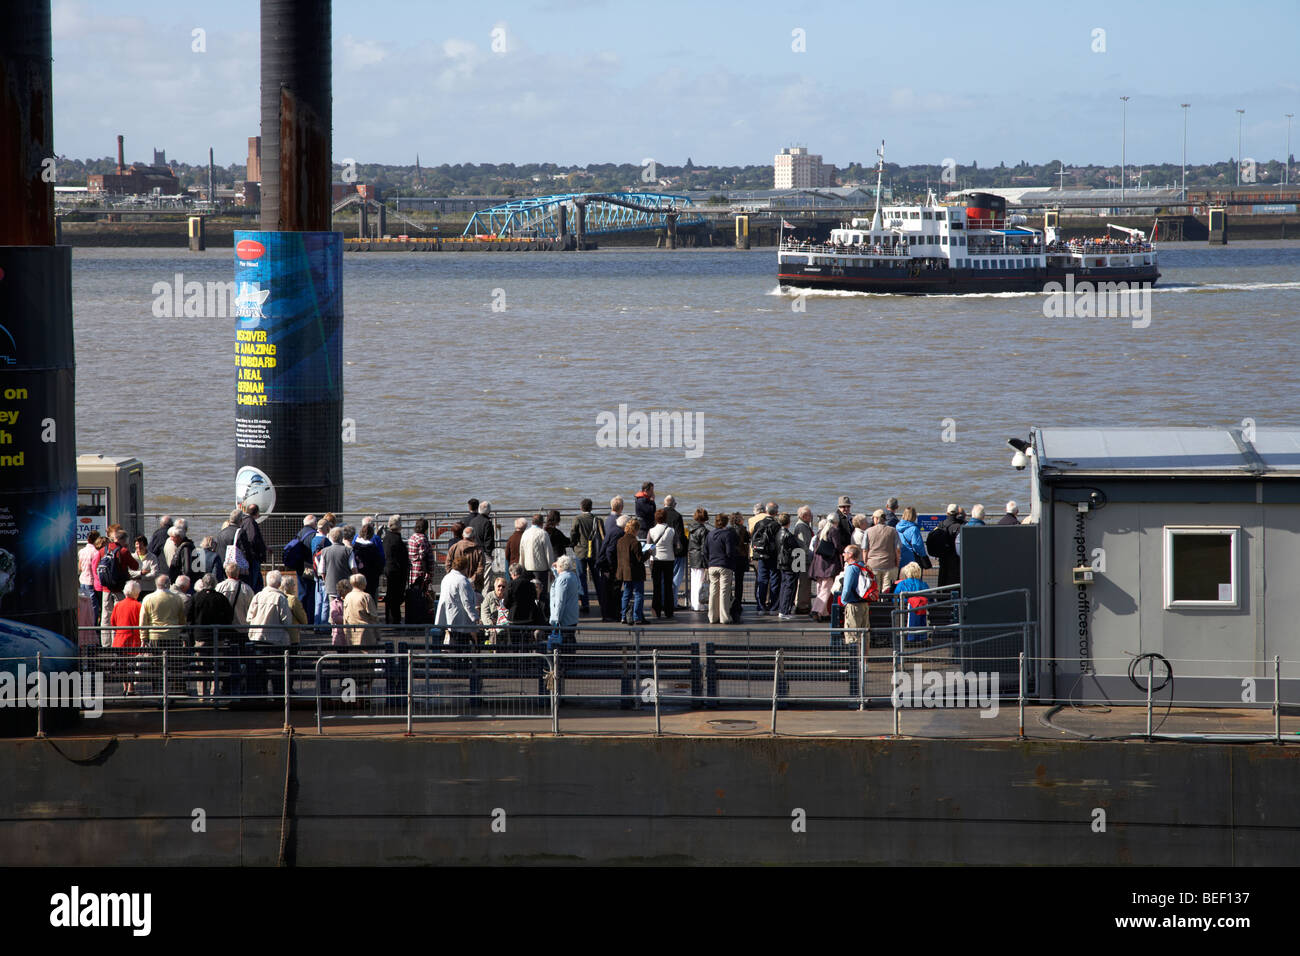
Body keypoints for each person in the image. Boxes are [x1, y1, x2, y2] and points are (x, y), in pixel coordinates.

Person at [191, 573, 232, 700]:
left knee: (201, 666)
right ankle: (215, 692)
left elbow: (189, 617)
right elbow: (229, 617)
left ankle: (202, 694)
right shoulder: (221, 598)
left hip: (201, 636)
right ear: (215, 584)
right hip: (217, 636)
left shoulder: (196, 597)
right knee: (216, 665)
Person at [99, 529, 140, 634]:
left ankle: (105, 645)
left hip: (106, 588)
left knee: (105, 616)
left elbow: (96, 567)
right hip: (119, 588)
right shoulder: (123, 551)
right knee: (118, 615)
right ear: (123, 540)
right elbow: (135, 566)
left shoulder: (103, 550)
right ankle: (115, 642)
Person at [569, 498, 604, 616]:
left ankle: (585, 604)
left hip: (581, 552)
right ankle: (602, 602)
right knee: (597, 578)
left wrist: (573, 545)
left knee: (581, 578)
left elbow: (573, 534)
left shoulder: (577, 519)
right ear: (591, 507)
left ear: (581, 507)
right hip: (594, 552)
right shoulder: (597, 519)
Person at [109, 579, 144, 696]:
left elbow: (112, 622)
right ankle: (131, 687)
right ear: (136, 592)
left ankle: (125, 687)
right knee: (132, 665)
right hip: (133, 640)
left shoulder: (118, 605)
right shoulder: (138, 605)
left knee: (123, 664)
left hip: (120, 640)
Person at [434, 556, 478, 647]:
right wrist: (475, 617)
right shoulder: (462, 581)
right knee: (462, 646)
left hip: (447, 618)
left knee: (451, 646)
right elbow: (467, 602)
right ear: (465, 567)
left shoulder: (446, 578)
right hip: (461, 621)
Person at [810, 514, 846, 622]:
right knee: (826, 588)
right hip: (828, 564)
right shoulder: (834, 531)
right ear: (837, 521)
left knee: (820, 587)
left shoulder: (821, 531)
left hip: (819, 564)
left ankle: (824, 613)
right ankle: (816, 610)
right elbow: (837, 547)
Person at [838, 545, 876, 646]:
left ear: (850, 555)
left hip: (853, 605)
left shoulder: (851, 569)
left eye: (845, 552)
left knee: (853, 636)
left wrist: (843, 601)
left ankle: (855, 661)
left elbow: (846, 589)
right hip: (864, 604)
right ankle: (864, 660)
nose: (843, 554)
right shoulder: (862, 566)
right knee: (865, 635)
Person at [705, 513, 738, 625]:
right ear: (726, 522)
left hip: (712, 565)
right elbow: (729, 552)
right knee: (724, 591)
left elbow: (705, 551)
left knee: (713, 591)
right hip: (724, 566)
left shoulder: (710, 534)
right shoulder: (727, 534)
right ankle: (724, 617)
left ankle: (712, 617)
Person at [750, 503, 781, 616]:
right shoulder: (776, 525)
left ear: (766, 511)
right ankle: (773, 607)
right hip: (773, 556)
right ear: (776, 512)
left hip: (761, 556)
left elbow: (752, 538)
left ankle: (760, 607)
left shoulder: (759, 523)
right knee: (774, 580)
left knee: (762, 581)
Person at [645, 509, 676, 619]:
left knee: (656, 587)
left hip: (656, 560)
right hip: (669, 559)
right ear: (665, 518)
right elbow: (675, 544)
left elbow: (648, 546)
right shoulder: (671, 530)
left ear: (656, 518)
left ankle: (656, 610)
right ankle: (669, 611)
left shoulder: (651, 530)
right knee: (668, 586)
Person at [520, 513, 556, 610]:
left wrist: (521, 567)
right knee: (542, 594)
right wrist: (552, 569)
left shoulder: (525, 533)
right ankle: (543, 615)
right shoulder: (543, 534)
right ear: (542, 523)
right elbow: (548, 553)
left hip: (527, 569)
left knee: (530, 594)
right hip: (541, 569)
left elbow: (521, 552)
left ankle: (531, 613)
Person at [615, 517, 647, 625]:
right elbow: (640, 559)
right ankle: (637, 617)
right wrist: (649, 552)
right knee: (639, 594)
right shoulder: (635, 542)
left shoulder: (620, 541)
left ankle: (623, 616)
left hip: (624, 572)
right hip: (636, 572)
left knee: (626, 594)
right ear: (635, 530)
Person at [139, 573, 186, 646]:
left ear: (156, 584)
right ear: (169, 584)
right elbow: (182, 618)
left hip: (155, 635)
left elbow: (143, 620)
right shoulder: (177, 598)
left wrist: (143, 638)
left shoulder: (148, 598)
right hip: (173, 635)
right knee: (172, 657)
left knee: (156, 657)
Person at [597, 515, 627, 622]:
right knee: (612, 591)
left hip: (604, 564)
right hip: (608, 566)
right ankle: (611, 615)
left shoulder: (613, 530)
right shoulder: (619, 533)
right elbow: (610, 551)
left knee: (607, 592)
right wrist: (612, 568)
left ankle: (607, 615)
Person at [405, 518, 435, 626]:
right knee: (420, 595)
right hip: (420, 571)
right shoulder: (422, 539)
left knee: (414, 594)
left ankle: (414, 617)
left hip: (413, 570)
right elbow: (423, 556)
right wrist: (427, 572)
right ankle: (419, 618)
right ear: (425, 528)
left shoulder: (412, 537)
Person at [864, 509, 901, 593]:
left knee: (874, 589)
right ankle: (886, 605)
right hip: (889, 564)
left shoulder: (868, 531)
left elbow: (865, 550)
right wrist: (897, 563)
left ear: (876, 519)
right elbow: (897, 549)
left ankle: (877, 605)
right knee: (887, 589)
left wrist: (866, 563)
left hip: (873, 565)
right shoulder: (893, 530)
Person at [548, 555, 581, 647]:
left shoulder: (562, 580)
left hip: (564, 617)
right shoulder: (572, 576)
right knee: (570, 638)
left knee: (565, 641)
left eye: (558, 566)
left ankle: (566, 660)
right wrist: (554, 569)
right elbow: (560, 576)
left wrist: (556, 619)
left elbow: (560, 601)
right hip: (572, 615)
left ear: (561, 567)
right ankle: (571, 659)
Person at [343, 572, 381, 648]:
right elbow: (373, 617)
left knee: (354, 657)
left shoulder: (347, 596)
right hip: (365, 632)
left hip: (350, 631)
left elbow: (345, 616)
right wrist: (377, 633)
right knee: (367, 657)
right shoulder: (366, 596)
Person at [662, 494, 687, 608]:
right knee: (676, 577)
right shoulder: (677, 516)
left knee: (664, 578)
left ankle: (664, 601)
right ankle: (673, 602)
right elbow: (680, 535)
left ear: (664, 504)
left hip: (663, 551)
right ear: (674, 504)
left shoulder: (659, 514)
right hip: (676, 552)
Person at [445, 525, 486, 598]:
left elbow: (448, 566)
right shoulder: (478, 550)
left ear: (463, 536)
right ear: (473, 537)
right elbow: (481, 569)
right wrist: (472, 580)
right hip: (475, 586)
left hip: (456, 585)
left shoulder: (454, 548)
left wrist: (454, 578)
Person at [893, 562, 929, 642]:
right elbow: (929, 599)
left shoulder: (902, 584)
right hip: (922, 611)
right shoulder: (924, 584)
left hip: (904, 612)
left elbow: (895, 599)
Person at [504, 563, 540, 644]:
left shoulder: (511, 584)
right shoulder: (530, 584)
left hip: (514, 618)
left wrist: (511, 607)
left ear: (513, 574)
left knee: (514, 643)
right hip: (528, 618)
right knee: (526, 643)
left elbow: (506, 602)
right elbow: (534, 598)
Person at [930, 504, 964, 588]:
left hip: (942, 558)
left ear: (947, 513)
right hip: (955, 559)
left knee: (942, 579)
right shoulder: (960, 526)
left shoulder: (941, 525)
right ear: (957, 513)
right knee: (954, 582)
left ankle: (940, 598)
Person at [775, 512, 801, 620]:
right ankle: (785, 611)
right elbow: (795, 549)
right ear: (789, 522)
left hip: (781, 562)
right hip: (789, 564)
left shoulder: (778, 533)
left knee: (784, 586)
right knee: (789, 587)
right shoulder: (788, 535)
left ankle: (782, 609)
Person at [236, 504, 268, 591]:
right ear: (257, 512)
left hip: (251, 558)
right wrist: (260, 550)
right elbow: (252, 538)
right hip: (254, 558)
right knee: (255, 584)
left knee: (258, 583)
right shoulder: (250, 522)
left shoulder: (244, 521)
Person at [351, 519, 384, 597]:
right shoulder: (373, 549)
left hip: (358, 577)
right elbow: (380, 562)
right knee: (370, 599)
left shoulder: (355, 547)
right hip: (371, 579)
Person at [792, 507, 815, 615]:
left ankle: (802, 603)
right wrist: (811, 556)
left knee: (803, 583)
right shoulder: (801, 527)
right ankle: (802, 606)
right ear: (804, 516)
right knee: (804, 583)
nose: (811, 517)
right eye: (810, 515)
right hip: (803, 559)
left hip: (801, 558)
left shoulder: (803, 525)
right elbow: (804, 544)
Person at [686, 508, 710, 613]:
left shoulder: (691, 529)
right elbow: (704, 547)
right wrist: (707, 562)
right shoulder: (703, 530)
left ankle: (694, 604)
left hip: (692, 556)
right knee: (701, 582)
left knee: (694, 581)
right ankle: (699, 604)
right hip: (700, 557)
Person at [79, 532, 104, 628]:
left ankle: (84, 627)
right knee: (94, 607)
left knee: (84, 607)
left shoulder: (82, 551)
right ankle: (93, 628)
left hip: (82, 580)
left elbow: (80, 567)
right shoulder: (95, 552)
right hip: (92, 581)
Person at [729, 512, 750, 622]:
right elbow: (747, 543)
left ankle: (730, 602)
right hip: (741, 558)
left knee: (728, 582)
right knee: (739, 582)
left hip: (732, 558)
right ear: (739, 520)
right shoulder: (744, 530)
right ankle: (738, 603)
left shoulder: (729, 530)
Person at [895, 506, 930, 571]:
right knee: (914, 579)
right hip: (912, 559)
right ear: (914, 516)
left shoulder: (897, 527)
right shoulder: (914, 529)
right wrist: (924, 556)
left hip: (900, 558)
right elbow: (918, 546)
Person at [480, 576, 510, 645]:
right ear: (495, 586)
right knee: (494, 632)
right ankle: (495, 653)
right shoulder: (489, 596)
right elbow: (484, 613)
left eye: (503, 587)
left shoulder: (508, 597)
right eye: (499, 586)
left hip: (506, 624)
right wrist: (490, 625)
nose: (501, 588)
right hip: (492, 625)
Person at [467, 502, 496, 570]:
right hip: (484, 553)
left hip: (473, 551)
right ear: (489, 511)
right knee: (486, 576)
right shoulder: (487, 523)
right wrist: (490, 554)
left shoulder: (472, 521)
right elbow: (489, 540)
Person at [282, 575, 309, 645]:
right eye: (293, 584)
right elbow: (303, 618)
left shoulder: (277, 596)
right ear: (290, 586)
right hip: (292, 636)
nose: (294, 586)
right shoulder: (293, 599)